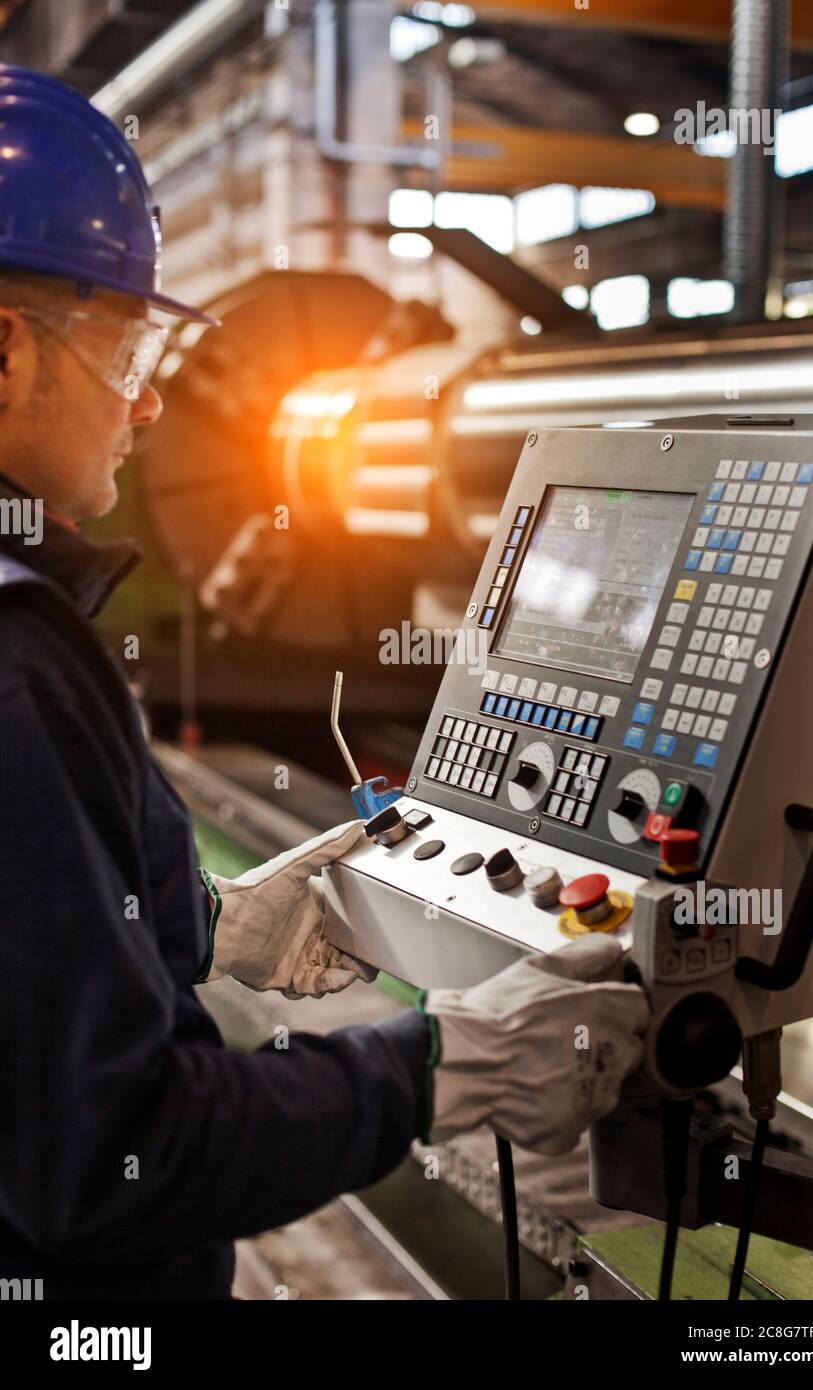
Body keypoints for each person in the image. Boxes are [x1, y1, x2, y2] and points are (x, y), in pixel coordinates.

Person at [0, 65, 649, 1300]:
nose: (144, 403)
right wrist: (438, 1070)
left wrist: (202, 921)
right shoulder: (21, 664)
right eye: (122, 346)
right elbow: (115, 1157)